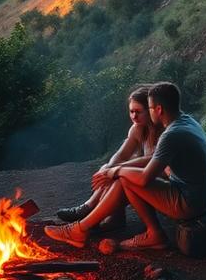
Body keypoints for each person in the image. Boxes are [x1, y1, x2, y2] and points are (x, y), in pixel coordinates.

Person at [46, 81, 206, 250]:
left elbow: (144, 178)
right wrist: (114, 169)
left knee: (126, 179)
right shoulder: (187, 121)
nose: (144, 114)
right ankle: (86, 226)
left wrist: (116, 170)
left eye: (149, 108)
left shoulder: (171, 135)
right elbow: (136, 159)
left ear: (158, 110)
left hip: (189, 203)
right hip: (201, 196)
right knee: (124, 177)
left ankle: (81, 229)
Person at [54, 86, 161, 230]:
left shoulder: (163, 130)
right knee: (108, 169)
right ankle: (107, 215)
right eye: (131, 111)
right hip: (144, 174)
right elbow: (121, 154)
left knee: (118, 174)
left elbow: (153, 159)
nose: (134, 116)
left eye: (138, 112)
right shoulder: (137, 128)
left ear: (150, 110)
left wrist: (115, 170)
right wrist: (109, 168)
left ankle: (89, 209)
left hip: (160, 179)